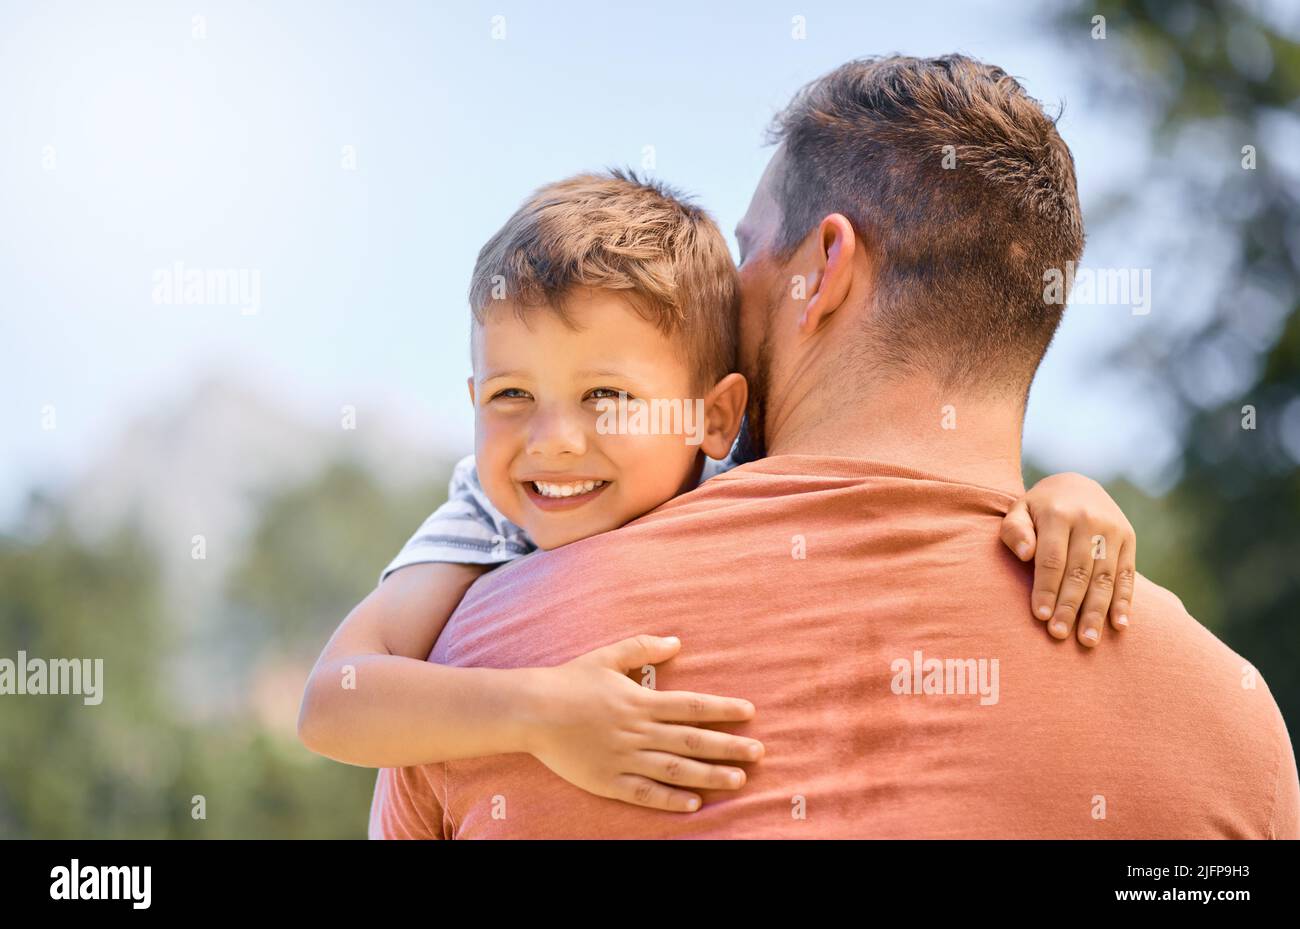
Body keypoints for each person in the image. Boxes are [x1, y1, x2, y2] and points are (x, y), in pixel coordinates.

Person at [365, 54, 1300, 839]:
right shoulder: (1231, 724)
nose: (726, 296)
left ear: (824, 268)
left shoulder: (485, 658)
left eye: (750, 250)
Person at [299, 170, 1137, 813]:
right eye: (509, 395)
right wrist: (540, 710)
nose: (550, 438)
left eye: (607, 397)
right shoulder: (483, 516)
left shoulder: (743, 485)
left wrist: (1065, 496)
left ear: (714, 416)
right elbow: (333, 699)